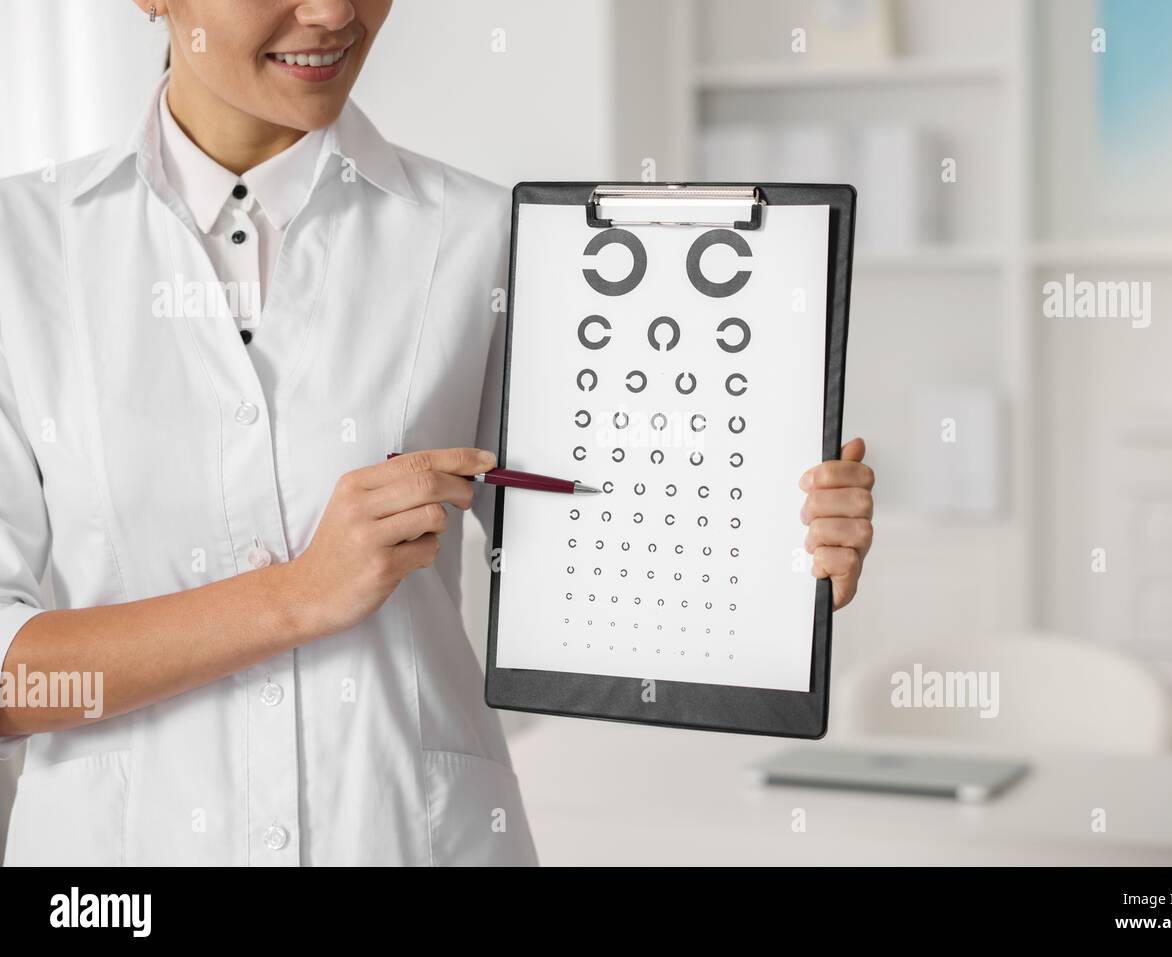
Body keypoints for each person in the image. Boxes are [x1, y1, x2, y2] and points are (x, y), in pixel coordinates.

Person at [0, 0, 875, 866]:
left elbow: (610, 562)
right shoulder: (22, 251)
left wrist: (774, 558)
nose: (335, 12)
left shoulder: (489, 236)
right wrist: (297, 595)